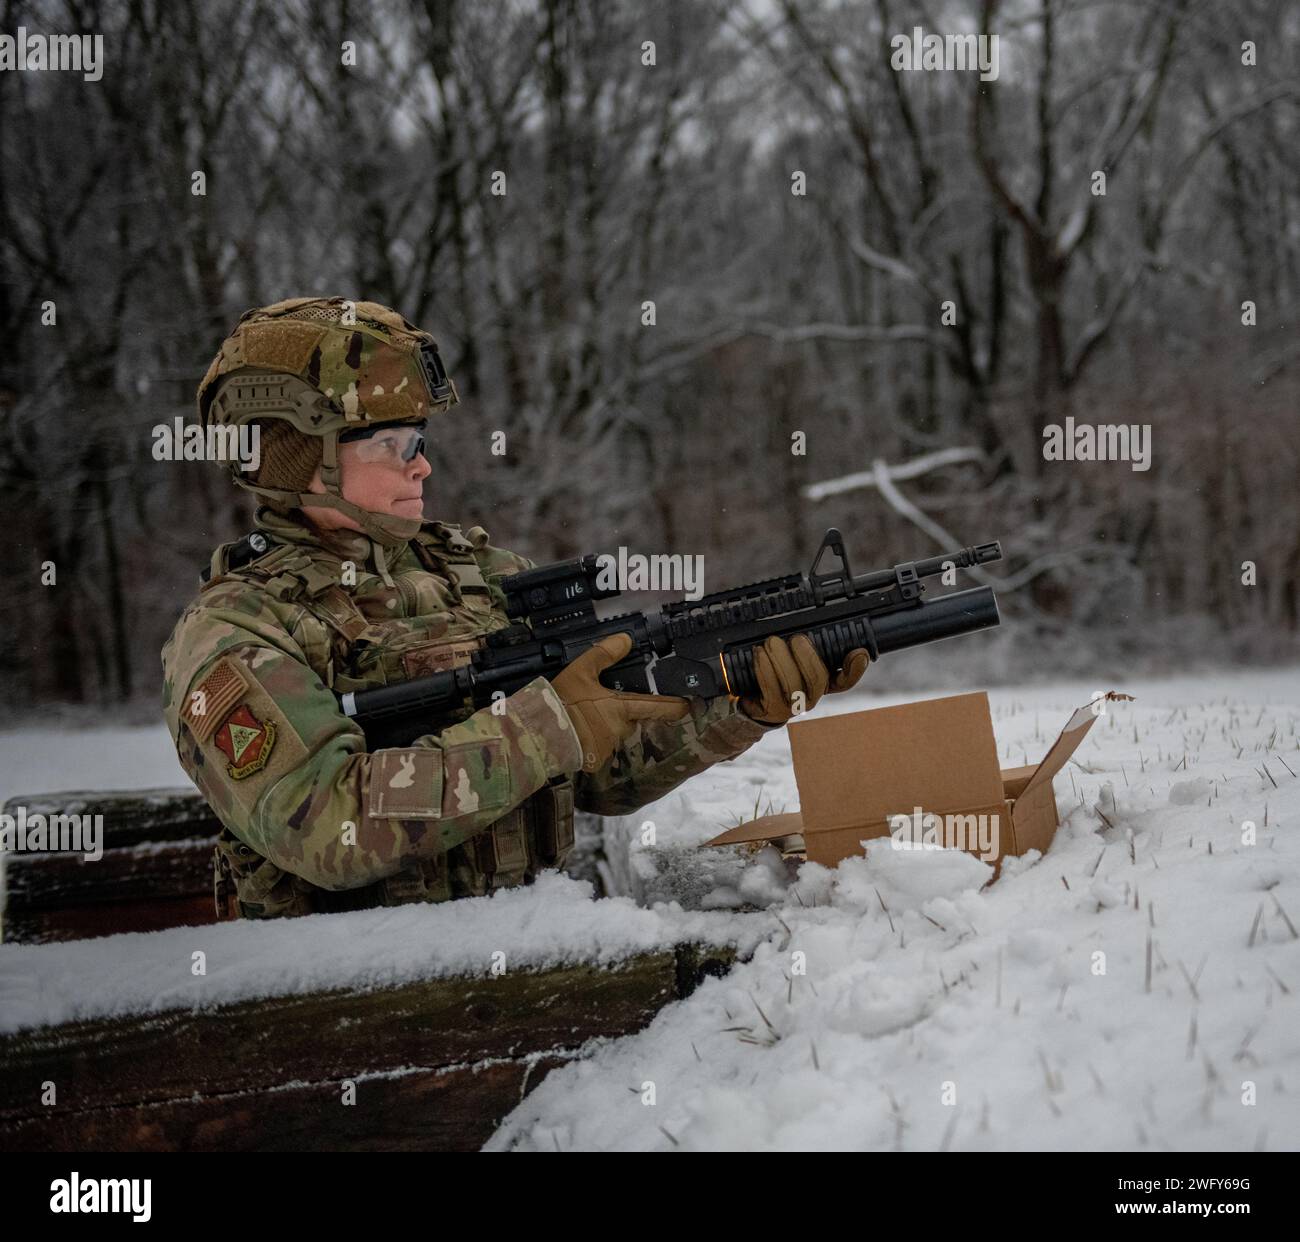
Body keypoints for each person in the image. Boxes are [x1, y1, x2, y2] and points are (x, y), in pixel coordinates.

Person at [161, 297, 870, 919]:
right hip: (353, 1016)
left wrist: (736, 702)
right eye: (392, 444)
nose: (421, 465)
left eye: (420, 442)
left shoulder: (477, 575)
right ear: (298, 458)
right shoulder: (236, 630)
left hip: (530, 966)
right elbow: (326, 824)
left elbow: (599, 778)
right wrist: (550, 724)